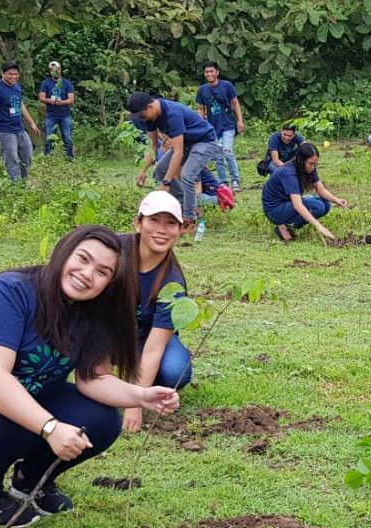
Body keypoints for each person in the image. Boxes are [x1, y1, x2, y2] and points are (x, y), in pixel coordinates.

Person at [0, 224, 180, 528]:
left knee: (101, 419)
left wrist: (140, 396)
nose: (87, 274)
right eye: (83, 259)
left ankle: (31, 482)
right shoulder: (9, 291)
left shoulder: (96, 312)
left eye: (103, 272)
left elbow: (94, 378)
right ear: (64, 252)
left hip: (25, 393)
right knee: (4, 415)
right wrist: (50, 428)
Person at [124, 193, 200, 432]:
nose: (162, 230)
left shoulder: (172, 283)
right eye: (154, 220)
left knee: (176, 372)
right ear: (138, 223)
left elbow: (154, 347)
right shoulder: (113, 252)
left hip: (148, 337)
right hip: (108, 331)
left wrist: (135, 402)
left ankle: (139, 375)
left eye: (170, 223)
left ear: (180, 229)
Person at [127, 91, 222, 233]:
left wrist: (166, 183)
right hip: (187, 143)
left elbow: (178, 152)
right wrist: (143, 170)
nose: (141, 118)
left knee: (187, 175)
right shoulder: (150, 118)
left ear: (150, 106)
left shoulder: (172, 114)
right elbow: (153, 146)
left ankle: (189, 220)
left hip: (205, 141)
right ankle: (185, 205)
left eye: (141, 115)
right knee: (160, 170)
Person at [264, 143, 350, 243]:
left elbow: (321, 190)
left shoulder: (308, 168)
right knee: (317, 206)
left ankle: (289, 226)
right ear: (301, 160)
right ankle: (283, 226)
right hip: (275, 210)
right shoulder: (288, 172)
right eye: (311, 164)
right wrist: (319, 226)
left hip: (288, 203)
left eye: (315, 164)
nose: (313, 167)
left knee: (326, 205)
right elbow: (297, 205)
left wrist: (336, 200)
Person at [0, 61, 39, 183]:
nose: (14, 76)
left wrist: (31, 123)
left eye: (16, 74)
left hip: (20, 128)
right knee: (11, 158)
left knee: (27, 155)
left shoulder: (17, 87)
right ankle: (15, 184)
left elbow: (21, 105)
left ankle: (24, 181)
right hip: (5, 131)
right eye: (10, 74)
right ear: (2, 73)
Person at [195, 63, 244, 188]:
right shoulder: (202, 90)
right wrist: (200, 125)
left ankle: (235, 180)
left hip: (227, 124)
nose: (209, 74)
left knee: (227, 151)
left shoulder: (226, 86)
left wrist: (240, 120)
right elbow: (200, 108)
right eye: (207, 72)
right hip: (212, 127)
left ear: (217, 72)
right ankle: (223, 182)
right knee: (217, 156)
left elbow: (235, 103)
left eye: (211, 71)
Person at [38, 61, 76, 160]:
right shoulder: (46, 83)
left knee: (67, 137)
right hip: (51, 114)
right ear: (50, 71)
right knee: (49, 137)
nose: (55, 71)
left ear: (60, 70)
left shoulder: (66, 83)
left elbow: (71, 99)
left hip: (65, 114)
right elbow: (41, 97)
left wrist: (62, 102)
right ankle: (48, 158)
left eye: (57, 69)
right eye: (53, 70)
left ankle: (70, 158)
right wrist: (50, 101)